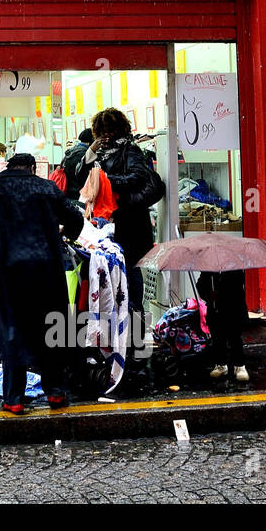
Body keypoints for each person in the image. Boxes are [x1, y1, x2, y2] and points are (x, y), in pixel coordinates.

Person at [0, 152, 84, 412]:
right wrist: (64, 233)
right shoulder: (46, 187)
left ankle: (13, 399)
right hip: (45, 268)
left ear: (8, 166)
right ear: (32, 168)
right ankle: (55, 392)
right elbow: (75, 218)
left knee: (13, 329)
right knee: (50, 327)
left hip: (5, 269)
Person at [82, 107, 163, 388]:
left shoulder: (131, 151)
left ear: (120, 130)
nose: (106, 137)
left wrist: (106, 181)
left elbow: (138, 178)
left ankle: (138, 349)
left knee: (132, 289)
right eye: (101, 133)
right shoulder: (99, 153)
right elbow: (79, 173)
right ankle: (114, 344)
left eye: (110, 132)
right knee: (110, 289)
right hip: (107, 227)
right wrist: (92, 151)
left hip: (130, 226)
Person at [200, 270, 250, 383]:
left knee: (235, 337)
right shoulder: (208, 270)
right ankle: (221, 365)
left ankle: (240, 366)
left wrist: (220, 289)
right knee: (218, 338)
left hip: (234, 307)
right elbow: (201, 284)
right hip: (215, 309)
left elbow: (239, 284)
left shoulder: (235, 267)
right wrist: (208, 293)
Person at [61, 128, 95, 201]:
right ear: (91, 141)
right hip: (80, 194)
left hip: (68, 192)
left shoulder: (70, 151)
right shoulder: (84, 155)